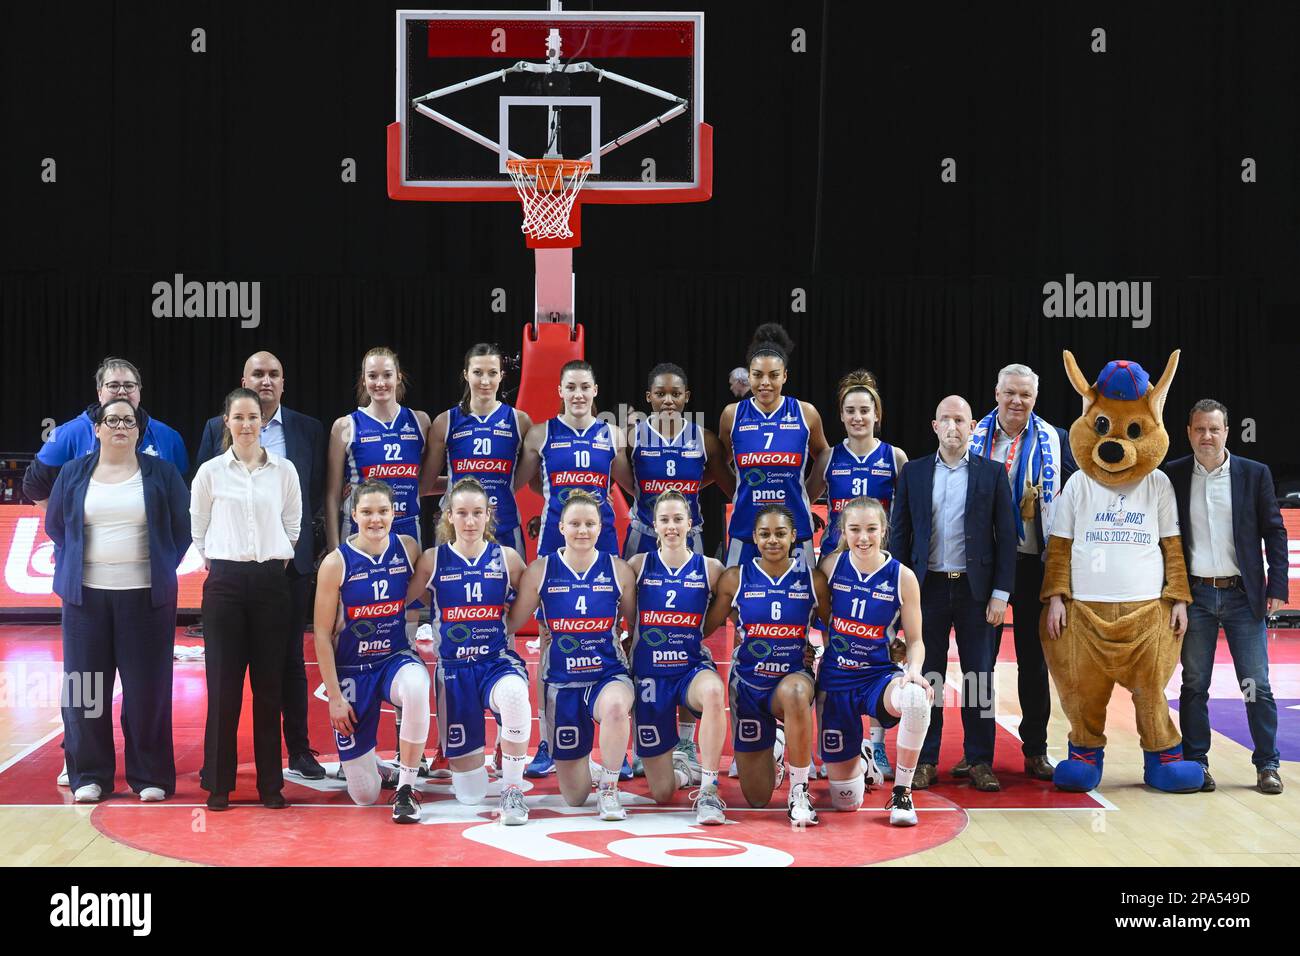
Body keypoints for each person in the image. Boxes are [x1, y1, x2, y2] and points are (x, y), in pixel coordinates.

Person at [45, 398, 191, 803]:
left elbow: (182, 530)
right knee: (84, 691)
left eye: (128, 420)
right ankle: (89, 774)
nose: (120, 426)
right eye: (112, 420)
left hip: (146, 600)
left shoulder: (161, 474)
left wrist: (157, 565)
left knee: (148, 691)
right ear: (97, 428)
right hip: (84, 601)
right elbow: (56, 525)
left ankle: (149, 776)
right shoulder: (74, 473)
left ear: (138, 430)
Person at [195, 350, 328, 781]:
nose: (266, 380)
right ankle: (218, 768)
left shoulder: (308, 429)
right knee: (227, 675)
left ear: (284, 383)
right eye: (258, 373)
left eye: (274, 374)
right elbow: (201, 514)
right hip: (233, 572)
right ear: (244, 380)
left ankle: (300, 752)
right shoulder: (216, 430)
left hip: (286, 568)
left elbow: (308, 500)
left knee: (288, 664)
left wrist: (284, 552)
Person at [891, 395, 1016, 792]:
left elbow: (1007, 538)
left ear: (974, 426)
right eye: (946, 420)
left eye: (960, 420)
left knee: (979, 676)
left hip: (975, 592)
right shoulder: (913, 472)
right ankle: (926, 760)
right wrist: (895, 592)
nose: (953, 427)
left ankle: (980, 759)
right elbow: (899, 534)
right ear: (935, 426)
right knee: (929, 676)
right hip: (925, 590)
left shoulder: (992, 474)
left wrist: (1001, 592)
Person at [515, 360, 632, 776]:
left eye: (585, 386)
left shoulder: (612, 434)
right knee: (552, 640)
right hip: (555, 541)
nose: (578, 394)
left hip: (603, 541)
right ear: (560, 391)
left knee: (612, 632)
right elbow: (525, 482)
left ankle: (619, 741)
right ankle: (548, 740)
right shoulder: (541, 434)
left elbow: (629, 484)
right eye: (571, 387)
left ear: (595, 388)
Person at [1165, 399, 1289, 794]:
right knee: (1194, 683)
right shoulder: (1173, 475)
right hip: (1195, 594)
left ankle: (1267, 764)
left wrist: (1278, 586)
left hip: (1242, 595)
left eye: (1213, 429)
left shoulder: (1254, 474)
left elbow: (1275, 532)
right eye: (1199, 429)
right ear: (1188, 432)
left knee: (1256, 683)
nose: (1206, 436)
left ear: (1226, 432)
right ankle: (1197, 762)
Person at [325, 347, 437, 774]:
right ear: (364, 379)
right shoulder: (346, 426)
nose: (380, 383)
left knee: (403, 641)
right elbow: (334, 493)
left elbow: (427, 482)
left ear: (399, 376)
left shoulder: (420, 423)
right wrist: (336, 551)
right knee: (355, 637)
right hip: (360, 545)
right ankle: (360, 747)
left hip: (406, 543)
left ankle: (412, 753)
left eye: (387, 375)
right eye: (372, 376)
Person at [190, 388, 302, 810]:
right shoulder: (211, 473)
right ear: (227, 423)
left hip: (271, 583)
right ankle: (218, 784)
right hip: (224, 585)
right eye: (238, 417)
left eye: (253, 417)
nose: (246, 424)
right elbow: (198, 529)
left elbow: (292, 526)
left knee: (269, 688)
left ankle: (270, 786)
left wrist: (266, 562)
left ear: (262, 420)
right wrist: (225, 562)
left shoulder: (284, 471)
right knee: (223, 688)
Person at [968, 363, 1076, 781]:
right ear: (996, 393)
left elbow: (1071, 501)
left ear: (1035, 398)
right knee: (980, 662)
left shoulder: (1055, 439)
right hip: (985, 563)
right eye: (1010, 393)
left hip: (1033, 561)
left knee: (1035, 662)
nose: (1017, 401)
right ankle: (976, 754)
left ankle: (1035, 750)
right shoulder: (975, 436)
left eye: (1025, 395)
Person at [505, 491, 637, 820]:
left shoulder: (619, 571)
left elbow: (638, 625)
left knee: (618, 708)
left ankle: (609, 787)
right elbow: (512, 622)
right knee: (574, 798)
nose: (582, 530)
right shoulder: (540, 571)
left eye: (590, 524)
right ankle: (592, 766)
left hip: (607, 675)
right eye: (575, 523)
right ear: (561, 526)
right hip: (562, 685)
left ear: (600, 527)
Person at [410, 477, 533, 824]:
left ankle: (512, 790)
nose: (469, 521)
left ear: (488, 515)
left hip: (495, 662)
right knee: (469, 795)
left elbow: (533, 598)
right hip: (453, 672)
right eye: (461, 513)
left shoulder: (507, 559)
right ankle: (496, 747)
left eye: (477, 513)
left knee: (513, 697)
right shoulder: (432, 561)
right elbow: (400, 600)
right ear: (448, 516)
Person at [702, 504, 832, 827]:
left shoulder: (812, 580)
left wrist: (885, 648)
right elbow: (703, 627)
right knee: (757, 798)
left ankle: (799, 791)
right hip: (747, 688)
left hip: (789, 680)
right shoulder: (735, 578)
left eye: (780, 533)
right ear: (754, 538)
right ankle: (774, 745)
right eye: (765, 534)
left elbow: (837, 628)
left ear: (794, 537)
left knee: (798, 691)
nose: (772, 540)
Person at [313, 480, 428, 823]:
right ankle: (372, 765)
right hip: (352, 669)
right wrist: (334, 697)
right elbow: (320, 632)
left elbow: (422, 589)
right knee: (363, 796)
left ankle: (406, 789)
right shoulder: (336, 563)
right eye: (367, 512)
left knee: (418, 686)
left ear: (395, 513)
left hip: (393, 659)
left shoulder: (407, 548)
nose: (375, 519)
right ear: (354, 514)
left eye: (382, 511)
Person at [816, 497, 932, 826]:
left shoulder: (902, 577)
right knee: (845, 803)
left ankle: (903, 793)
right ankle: (864, 758)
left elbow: (916, 641)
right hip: (836, 681)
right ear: (843, 530)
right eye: (855, 529)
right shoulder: (831, 566)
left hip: (878, 678)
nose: (863, 537)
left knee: (914, 697)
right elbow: (815, 620)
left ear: (884, 531)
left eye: (871, 529)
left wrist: (914, 671)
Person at [820, 369, 909, 779]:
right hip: (836, 562)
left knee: (881, 647)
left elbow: (904, 516)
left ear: (877, 415)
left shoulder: (895, 457)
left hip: (877, 562)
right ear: (841, 415)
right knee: (837, 642)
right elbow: (803, 500)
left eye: (864, 411)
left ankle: (876, 746)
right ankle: (834, 742)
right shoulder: (829, 457)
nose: (857, 417)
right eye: (850, 411)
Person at [626, 491, 728, 825]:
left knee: (714, 692)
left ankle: (710, 791)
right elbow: (619, 612)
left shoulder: (710, 569)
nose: (672, 527)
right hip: (650, 677)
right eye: (665, 520)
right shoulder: (638, 566)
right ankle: (683, 770)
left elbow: (737, 613)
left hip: (689, 669)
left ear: (691, 524)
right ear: (654, 525)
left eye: (678, 519)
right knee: (662, 793)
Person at [719, 323, 831, 570]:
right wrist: (740, 494)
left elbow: (825, 455)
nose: (765, 383)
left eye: (773, 375)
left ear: (785, 376)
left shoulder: (805, 413)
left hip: (794, 529)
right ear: (748, 376)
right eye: (757, 375)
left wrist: (803, 496)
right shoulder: (732, 415)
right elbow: (719, 464)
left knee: (801, 605)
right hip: (747, 528)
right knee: (739, 603)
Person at [26, 356, 189, 510]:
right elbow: (33, 485)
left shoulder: (169, 437)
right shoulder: (66, 434)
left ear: (139, 391)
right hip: (89, 539)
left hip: (149, 538)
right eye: (113, 385)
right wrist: (69, 524)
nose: (122, 391)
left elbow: (181, 496)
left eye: (129, 385)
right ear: (99, 392)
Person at [419, 343, 534, 556]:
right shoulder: (446, 422)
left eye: (492, 373)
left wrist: (593, 491)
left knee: (511, 590)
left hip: (504, 528)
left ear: (501, 375)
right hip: (456, 530)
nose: (485, 381)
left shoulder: (520, 421)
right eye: (477, 373)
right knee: (448, 590)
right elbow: (424, 485)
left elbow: (538, 482)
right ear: (466, 374)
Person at [620, 362, 734, 557]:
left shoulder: (705, 439)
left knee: (694, 588)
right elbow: (615, 482)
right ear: (649, 397)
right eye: (660, 393)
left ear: (686, 396)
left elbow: (734, 490)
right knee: (633, 588)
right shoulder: (631, 437)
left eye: (675, 394)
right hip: (643, 536)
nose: (668, 400)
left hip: (688, 537)